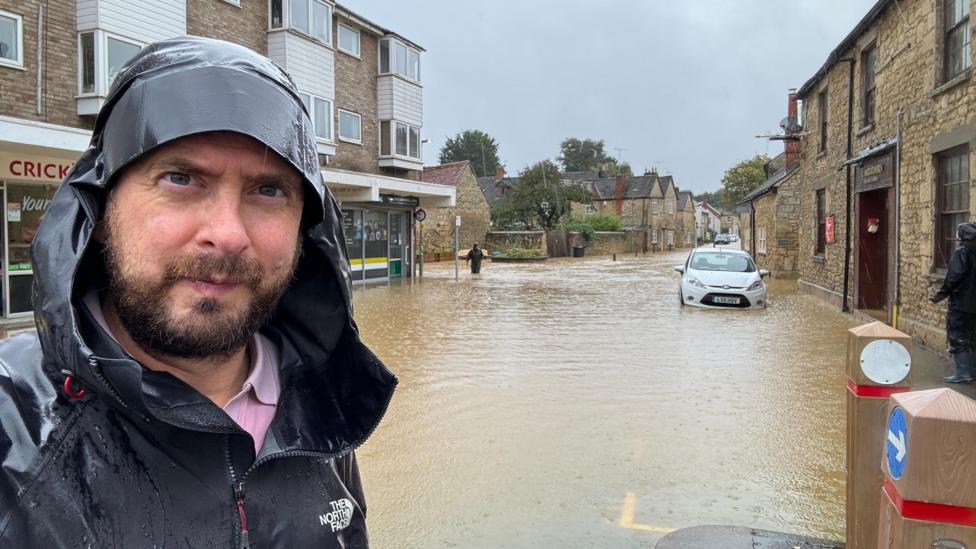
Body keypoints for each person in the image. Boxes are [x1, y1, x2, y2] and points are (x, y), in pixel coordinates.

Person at [0, 37, 397, 547]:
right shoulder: (15, 423)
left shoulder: (322, 401)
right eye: (182, 178)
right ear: (100, 213)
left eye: (269, 190)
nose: (228, 233)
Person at [931, 222, 976, 383]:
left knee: (958, 336)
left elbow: (954, 277)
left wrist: (941, 294)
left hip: (961, 304)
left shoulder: (962, 252)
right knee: (972, 338)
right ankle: (972, 371)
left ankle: (963, 373)